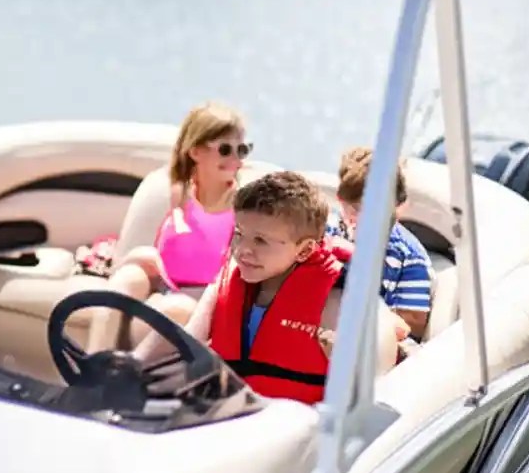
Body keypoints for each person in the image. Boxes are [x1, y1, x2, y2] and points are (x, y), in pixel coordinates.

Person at [133, 171, 401, 404]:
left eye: (261, 240)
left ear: (305, 250)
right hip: (231, 415)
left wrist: (344, 360)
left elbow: (373, 373)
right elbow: (190, 341)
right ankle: (126, 372)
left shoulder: (334, 299)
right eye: (239, 234)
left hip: (294, 431)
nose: (243, 250)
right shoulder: (229, 282)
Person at [87, 102, 247, 351]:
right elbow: (168, 249)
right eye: (226, 150)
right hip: (167, 283)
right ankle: (94, 367)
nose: (236, 160)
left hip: (204, 298)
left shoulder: (242, 205)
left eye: (242, 150)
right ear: (195, 152)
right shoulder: (179, 192)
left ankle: (126, 372)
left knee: (171, 309)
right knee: (127, 278)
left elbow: (231, 274)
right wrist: (146, 259)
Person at [325, 146, 434, 342]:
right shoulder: (324, 231)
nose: (364, 218)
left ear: (398, 205)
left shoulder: (409, 256)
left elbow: (412, 325)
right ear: (341, 201)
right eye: (355, 208)